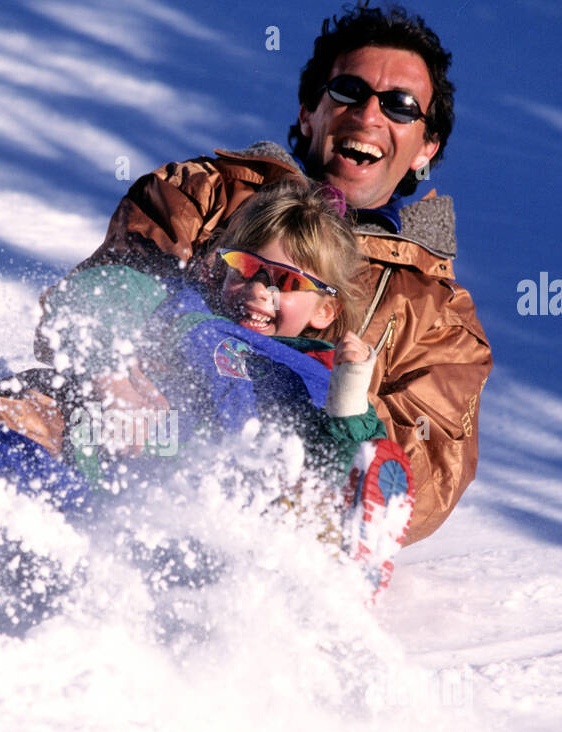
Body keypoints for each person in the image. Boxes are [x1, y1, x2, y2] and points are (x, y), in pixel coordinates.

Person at [0, 181, 415, 594]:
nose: (260, 292)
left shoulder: (309, 372)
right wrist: (105, 366)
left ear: (325, 310)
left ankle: (348, 556)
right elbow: (95, 298)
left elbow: (343, 450)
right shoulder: (181, 306)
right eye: (248, 269)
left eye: (285, 282)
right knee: (16, 430)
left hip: (206, 517)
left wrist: (349, 397)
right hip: (95, 468)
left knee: (304, 488)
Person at [34, 4, 491, 546]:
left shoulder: (439, 316)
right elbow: (109, 290)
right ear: (309, 113)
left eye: (399, 105)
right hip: (119, 433)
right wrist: (111, 369)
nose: (368, 115)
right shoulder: (209, 194)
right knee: (19, 421)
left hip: (278, 518)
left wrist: (325, 427)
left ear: (426, 148)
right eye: (348, 90)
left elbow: (429, 473)